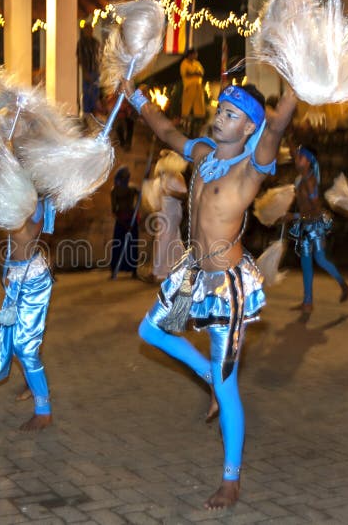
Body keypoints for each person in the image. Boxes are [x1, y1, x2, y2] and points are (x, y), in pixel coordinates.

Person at [125, 80, 298, 509]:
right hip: (192, 273)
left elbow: (275, 130)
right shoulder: (202, 155)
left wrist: (296, 84)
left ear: (247, 128)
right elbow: (165, 131)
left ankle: (231, 479)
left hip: (226, 285)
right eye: (220, 110)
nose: (220, 118)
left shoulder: (252, 166)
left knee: (227, 385)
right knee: (150, 332)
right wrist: (136, 95)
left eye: (231, 115)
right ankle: (205, 374)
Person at [0, 198, 56, 432]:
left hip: (33, 281)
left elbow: (27, 225)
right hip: (18, 276)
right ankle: (34, 382)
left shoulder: (34, 204)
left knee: (25, 348)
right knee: (14, 339)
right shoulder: (22, 199)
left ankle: (43, 411)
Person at [287, 145, 348, 313]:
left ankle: (342, 284)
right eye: (297, 157)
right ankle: (307, 302)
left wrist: (293, 217)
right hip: (306, 224)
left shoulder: (310, 181)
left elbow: (315, 210)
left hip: (314, 225)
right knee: (306, 262)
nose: (297, 160)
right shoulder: (301, 178)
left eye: (301, 158)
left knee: (320, 259)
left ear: (308, 162)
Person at [151, 151, 187, 281]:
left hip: (173, 213)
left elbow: (184, 195)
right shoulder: (158, 180)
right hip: (162, 215)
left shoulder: (177, 177)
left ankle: (156, 272)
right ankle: (181, 268)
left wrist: (170, 193)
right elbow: (155, 202)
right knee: (172, 240)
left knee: (165, 240)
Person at [110, 167, 140, 279]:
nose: (127, 178)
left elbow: (140, 194)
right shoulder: (115, 190)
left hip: (132, 220)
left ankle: (133, 271)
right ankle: (114, 270)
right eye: (125, 176)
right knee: (118, 245)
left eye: (128, 176)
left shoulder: (133, 188)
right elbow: (114, 210)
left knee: (132, 246)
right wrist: (123, 223)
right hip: (121, 221)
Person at [180, 49, 206, 137]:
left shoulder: (197, 63)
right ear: (190, 55)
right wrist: (195, 73)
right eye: (194, 54)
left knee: (199, 110)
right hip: (189, 87)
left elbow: (201, 73)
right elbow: (186, 74)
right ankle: (185, 129)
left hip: (198, 87)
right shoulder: (184, 63)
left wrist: (195, 73)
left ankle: (196, 131)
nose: (196, 56)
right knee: (186, 110)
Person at [76, 24, 100, 117]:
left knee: (95, 93)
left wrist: (99, 70)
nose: (89, 31)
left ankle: (94, 113)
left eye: (90, 29)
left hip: (96, 71)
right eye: (87, 30)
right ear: (84, 31)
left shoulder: (96, 42)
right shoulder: (81, 43)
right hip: (87, 71)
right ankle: (86, 114)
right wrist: (85, 72)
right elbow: (80, 58)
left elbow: (99, 57)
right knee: (87, 93)